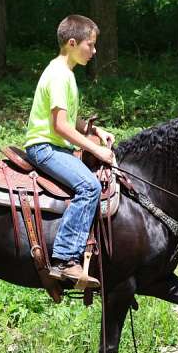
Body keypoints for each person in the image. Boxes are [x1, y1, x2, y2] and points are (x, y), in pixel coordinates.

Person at [24, 15, 115, 288]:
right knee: (89, 187)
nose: (95, 51)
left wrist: (94, 130)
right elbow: (60, 126)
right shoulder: (59, 75)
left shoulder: (65, 72)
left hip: (54, 145)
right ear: (72, 43)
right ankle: (65, 258)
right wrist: (96, 150)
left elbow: (68, 117)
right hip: (45, 147)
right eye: (91, 45)